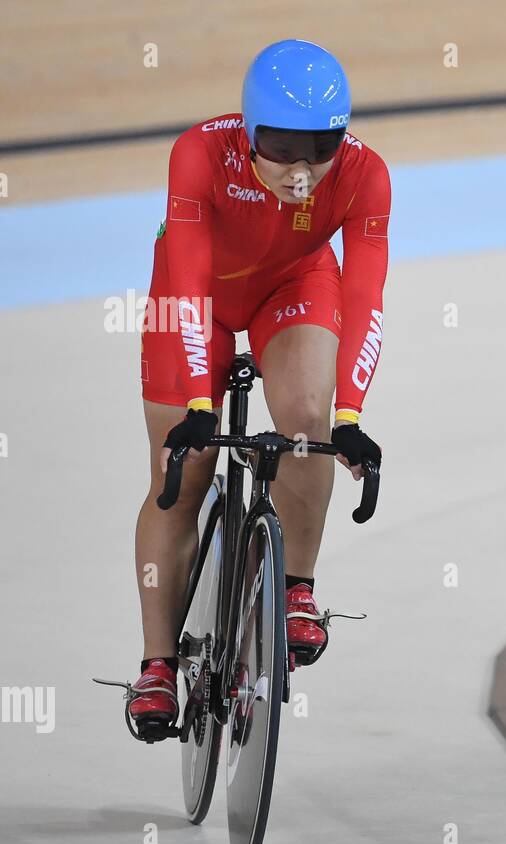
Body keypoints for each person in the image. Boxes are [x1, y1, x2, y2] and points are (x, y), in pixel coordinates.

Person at [129, 39, 390, 740]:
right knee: (180, 475)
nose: (301, 169)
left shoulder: (366, 175)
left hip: (291, 285)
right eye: (280, 146)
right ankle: (157, 664)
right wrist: (198, 404)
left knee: (308, 423)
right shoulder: (197, 154)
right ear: (247, 134)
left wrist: (350, 413)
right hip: (198, 298)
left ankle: (297, 588)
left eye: (320, 147)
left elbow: (365, 294)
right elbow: (185, 277)